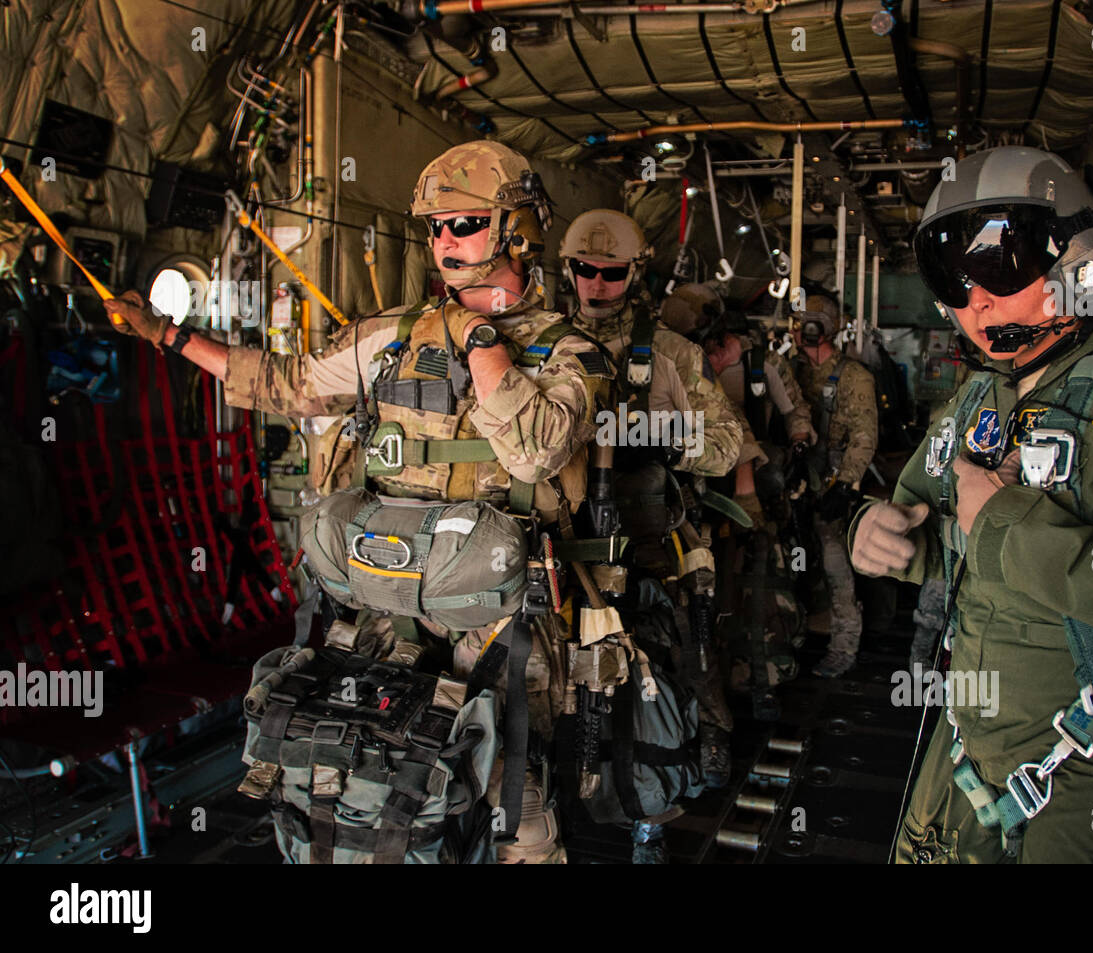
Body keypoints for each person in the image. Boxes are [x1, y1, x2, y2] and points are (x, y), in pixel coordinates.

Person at [106, 139, 617, 864]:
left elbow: (536, 447)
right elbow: (290, 385)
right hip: (388, 599)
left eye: (463, 222)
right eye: (435, 226)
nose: (443, 240)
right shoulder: (392, 336)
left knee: (511, 798)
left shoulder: (572, 352)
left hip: (499, 617)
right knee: (379, 774)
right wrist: (169, 335)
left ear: (515, 228)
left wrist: (473, 334)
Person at [849, 145, 1093, 863]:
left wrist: (1005, 523)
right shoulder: (981, 397)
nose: (975, 299)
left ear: (1078, 261)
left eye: (999, 264)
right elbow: (932, 529)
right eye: (952, 273)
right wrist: (879, 534)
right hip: (969, 742)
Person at [559, 209, 742, 860]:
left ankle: (653, 812)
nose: (598, 284)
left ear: (634, 275)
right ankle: (572, 804)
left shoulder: (672, 357)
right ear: (567, 269)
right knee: (567, 687)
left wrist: (653, 439)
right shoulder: (540, 345)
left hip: (648, 552)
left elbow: (725, 444)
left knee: (666, 674)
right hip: (564, 555)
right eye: (586, 269)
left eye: (612, 272)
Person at [661, 284, 813, 721]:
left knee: (756, 582)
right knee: (704, 596)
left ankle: (763, 674)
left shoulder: (757, 364)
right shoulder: (672, 365)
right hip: (691, 495)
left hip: (749, 490)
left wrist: (799, 447)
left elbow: (792, 413)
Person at [789, 295, 879, 678]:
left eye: (800, 324)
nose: (794, 331)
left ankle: (844, 644)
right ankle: (795, 631)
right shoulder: (790, 371)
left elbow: (864, 436)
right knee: (794, 558)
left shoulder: (855, 376)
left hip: (833, 482)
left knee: (834, 562)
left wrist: (844, 487)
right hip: (798, 480)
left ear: (816, 328)